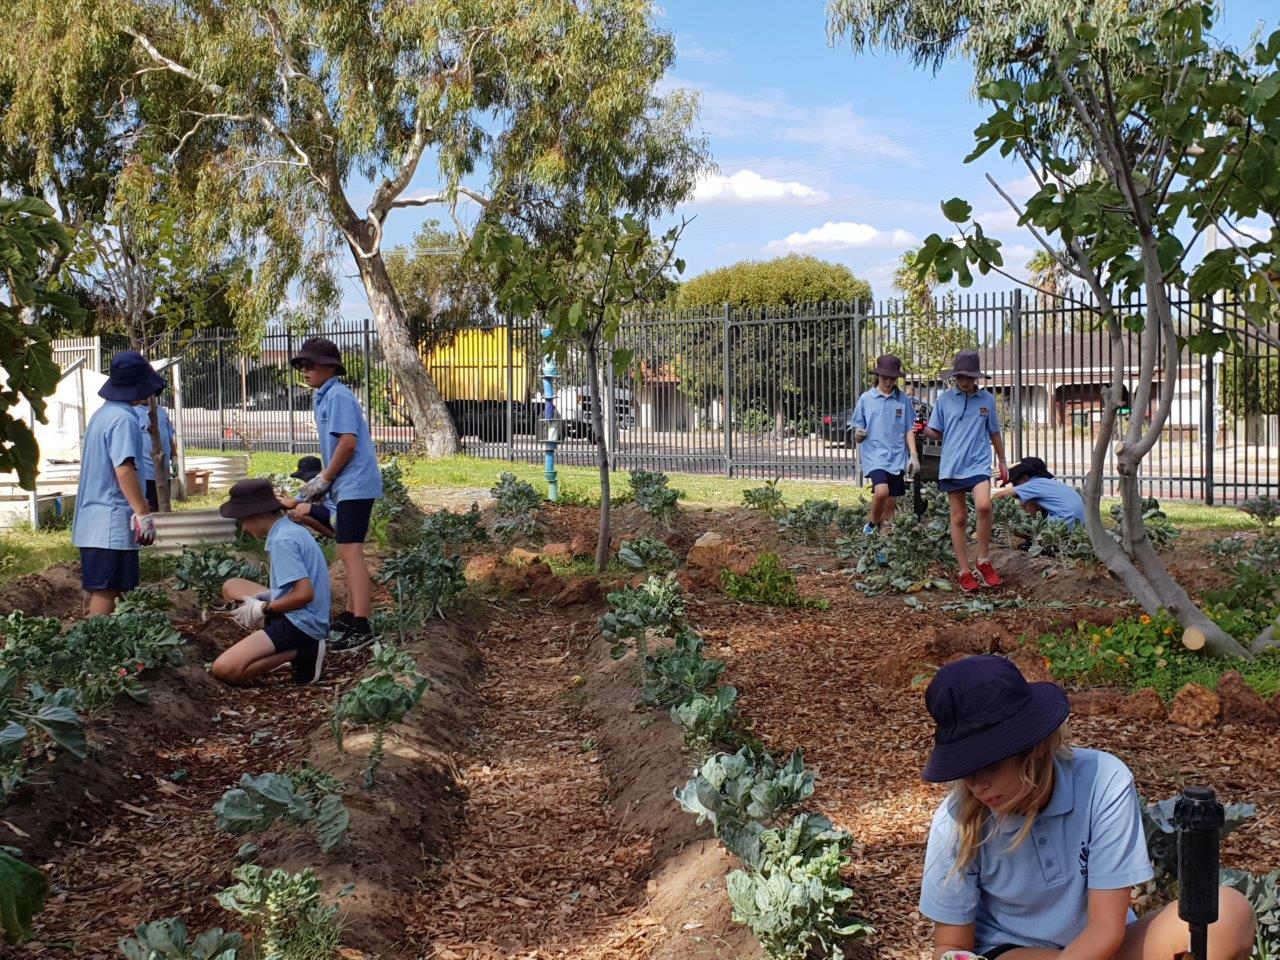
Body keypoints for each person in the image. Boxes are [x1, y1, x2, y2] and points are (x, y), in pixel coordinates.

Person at [919, 654, 1256, 960]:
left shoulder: (1103, 781)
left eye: (988, 764)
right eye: (963, 768)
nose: (977, 784)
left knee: (1229, 912)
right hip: (1013, 951)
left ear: (1034, 747)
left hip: (1108, 947)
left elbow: (1106, 931)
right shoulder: (955, 822)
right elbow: (951, 946)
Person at [289, 337, 382, 652]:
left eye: (310, 364)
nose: (304, 370)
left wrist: (323, 479)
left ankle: (362, 624)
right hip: (347, 485)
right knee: (347, 551)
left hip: (355, 483)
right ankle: (351, 615)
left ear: (330, 367)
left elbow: (348, 443)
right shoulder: (324, 396)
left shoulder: (338, 395)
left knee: (350, 552)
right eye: (301, 365)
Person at [213, 479, 330, 685]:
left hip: (301, 623)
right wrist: (267, 595)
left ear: (258, 515)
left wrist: (265, 608)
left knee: (225, 670)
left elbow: (304, 595)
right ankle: (268, 641)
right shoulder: (289, 529)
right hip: (308, 612)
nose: (243, 527)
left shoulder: (282, 541)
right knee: (232, 586)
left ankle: (303, 651)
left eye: (243, 520)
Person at [72, 351, 161, 616]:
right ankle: (95, 650)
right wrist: (143, 513)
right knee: (107, 589)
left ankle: (99, 645)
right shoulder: (124, 419)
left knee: (113, 587)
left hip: (97, 520)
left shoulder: (105, 414)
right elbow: (124, 469)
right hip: (108, 522)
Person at [924, 350, 1008, 592]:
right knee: (958, 517)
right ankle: (964, 570)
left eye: (970, 376)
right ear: (955, 375)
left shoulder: (987, 401)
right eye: (961, 376)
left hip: (979, 462)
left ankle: (983, 560)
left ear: (976, 377)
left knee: (984, 505)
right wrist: (923, 429)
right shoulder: (944, 400)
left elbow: (994, 432)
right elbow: (936, 431)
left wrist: (1002, 460)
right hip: (952, 464)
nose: (965, 380)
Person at [851, 354, 919, 535]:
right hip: (874, 454)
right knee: (881, 492)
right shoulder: (866, 398)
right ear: (877, 377)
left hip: (896, 456)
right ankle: (871, 526)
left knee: (890, 502)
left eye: (892, 379)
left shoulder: (902, 399)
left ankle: (883, 542)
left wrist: (913, 456)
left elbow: (908, 429)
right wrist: (858, 433)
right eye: (884, 378)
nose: (888, 382)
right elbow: (858, 424)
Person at [992, 457, 1086, 545]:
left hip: (1063, 523)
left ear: (1025, 478)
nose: (1015, 487)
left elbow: (999, 495)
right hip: (1078, 527)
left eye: (1015, 483)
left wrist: (984, 510)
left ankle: (1035, 540)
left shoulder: (1033, 484)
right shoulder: (1051, 483)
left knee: (1023, 510)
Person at [276, 455, 338, 539]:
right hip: (342, 516)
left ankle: (333, 535)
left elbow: (291, 504)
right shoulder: (327, 479)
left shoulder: (314, 483)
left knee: (301, 509)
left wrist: (274, 501)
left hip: (336, 519)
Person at [134, 401, 177, 511]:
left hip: (164, 471)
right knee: (150, 509)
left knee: (164, 507)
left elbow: (169, 436)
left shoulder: (161, 410)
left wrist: (174, 457)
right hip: (146, 474)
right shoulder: (133, 412)